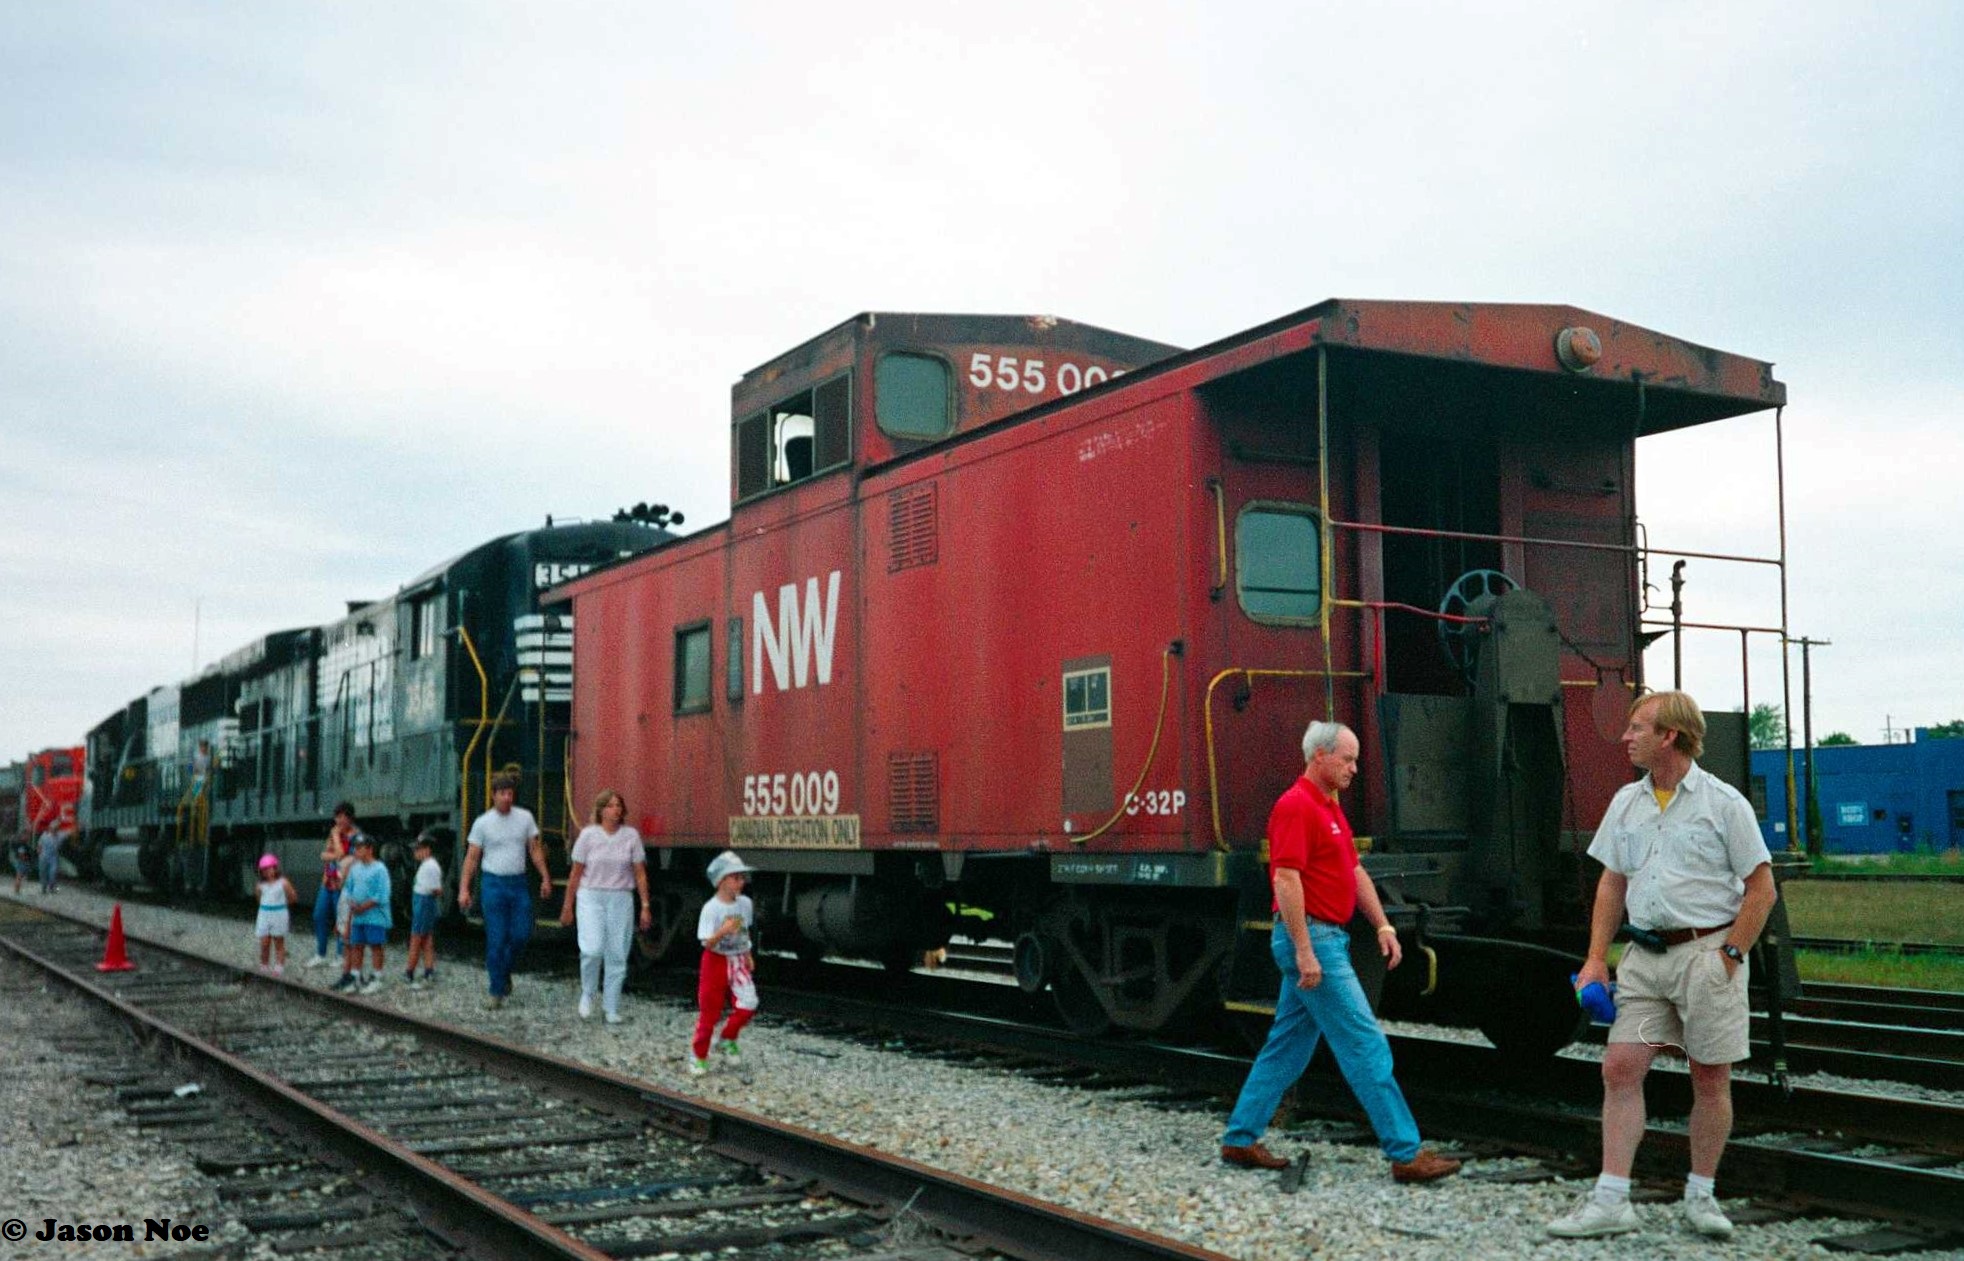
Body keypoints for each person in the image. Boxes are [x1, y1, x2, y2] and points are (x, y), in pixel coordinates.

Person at [1548, 690, 1775, 1241]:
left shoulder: (1724, 804)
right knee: (1620, 1068)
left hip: (1705, 955)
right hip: (1645, 959)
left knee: (1709, 1077)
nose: (1625, 737)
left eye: (1637, 728)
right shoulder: (1627, 802)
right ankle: (1611, 1200)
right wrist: (1597, 959)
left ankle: (1700, 1195)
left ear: (1669, 735)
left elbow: (1761, 888)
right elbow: (1612, 882)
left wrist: (1729, 955)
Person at [1219, 721, 1461, 1184]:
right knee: (1364, 1043)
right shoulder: (1295, 807)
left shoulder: (1328, 806)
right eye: (1347, 759)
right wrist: (1305, 952)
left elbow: (1354, 872)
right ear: (1319, 757)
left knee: (1286, 1047)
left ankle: (1240, 1137)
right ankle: (1405, 1153)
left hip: (1326, 939)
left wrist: (1383, 924)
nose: (1354, 767)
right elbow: (1285, 880)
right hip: (1313, 941)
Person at [457, 772, 552, 1009]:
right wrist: (464, 889)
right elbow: (471, 857)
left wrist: (545, 877)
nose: (507, 798)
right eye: (502, 794)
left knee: (521, 934)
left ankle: (503, 970)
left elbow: (534, 849)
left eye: (510, 794)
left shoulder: (525, 818)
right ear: (493, 795)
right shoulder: (482, 823)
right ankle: (496, 990)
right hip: (493, 884)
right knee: (496, 939)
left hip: (517, 884)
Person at [559, 789, 652, 1024]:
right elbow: (576, 873)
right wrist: (568, 905)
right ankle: (588, 993)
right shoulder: (588, 836)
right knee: (592, 948)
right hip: (591, 896)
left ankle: (611, 1007)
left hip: (620, 897)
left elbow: (639, 873)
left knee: (617, 954)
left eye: (619, 805)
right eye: (611, 805)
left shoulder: (631, 836)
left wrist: (645, 905)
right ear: (601, 810)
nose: (616, 810)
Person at [690, 850, 759, 1077]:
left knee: (748, 1003)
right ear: (721, 881)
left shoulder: (745, 904)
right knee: (710, 1012)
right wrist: (723, 931)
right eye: (736, 878)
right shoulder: (712, 909)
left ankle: (728, 1037)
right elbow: (707, 943)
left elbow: (744, 931)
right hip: (716, 961)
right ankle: (699, 1056)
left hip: (738, 958)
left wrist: (747, 953)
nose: (741, 882)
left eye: (742, 878)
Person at [333, 833, 393, 995]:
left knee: (376, 945)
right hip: (358, 916)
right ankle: (356, 976)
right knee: (357, 945)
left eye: (360, 848)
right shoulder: (355, 869)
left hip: (375, 916)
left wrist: (363, 907)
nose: (356, 851)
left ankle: (377, 977)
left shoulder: (380, 869)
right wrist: (352, 903)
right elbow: (349, 888)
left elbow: (382, 895)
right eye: (355, 848)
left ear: (370, 849)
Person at [306, 803, 358, 967]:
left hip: (343, 884)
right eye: (337, 817)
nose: (339, 820)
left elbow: (342, 855)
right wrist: (334, 853)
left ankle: (341, 955)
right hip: (328, 881)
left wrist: (335, 837)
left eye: (343, 817)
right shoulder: (334, 835)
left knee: (341, 919)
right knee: (319, 915)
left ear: (350, 818)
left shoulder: (355, 836)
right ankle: (321, 954)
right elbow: (324, 854)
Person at [405, 833, 443, 990]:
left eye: (418, 849)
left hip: (424, 901)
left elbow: (437, 890)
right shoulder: (428, 864)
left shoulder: (430, 866)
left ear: (427, 850)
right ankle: (429, 970)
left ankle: (409, 971)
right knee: (427, 938)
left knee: (416, 938)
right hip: (424, 901)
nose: (415, 852)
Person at [254, 854, 298, 975]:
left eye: (270, 868)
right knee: (264, 942)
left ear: (275, 868)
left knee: (279, 941)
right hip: (264, 914)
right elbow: (259, 898)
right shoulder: (260, 885)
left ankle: (279, 965)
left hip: (279, 914)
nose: (268, 872)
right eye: (264, 870)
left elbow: (293, 897)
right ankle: (264, 964)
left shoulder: (283, 882)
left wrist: (283, 905)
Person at [37, 828, 61, 894]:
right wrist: (40, 855)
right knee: (43, 873)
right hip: (44, 857)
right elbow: (39, 846)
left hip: (54, 858)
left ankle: (51, 887)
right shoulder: (44, 836)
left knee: (53, 873)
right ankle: (44, 887)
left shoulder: (58, 836)